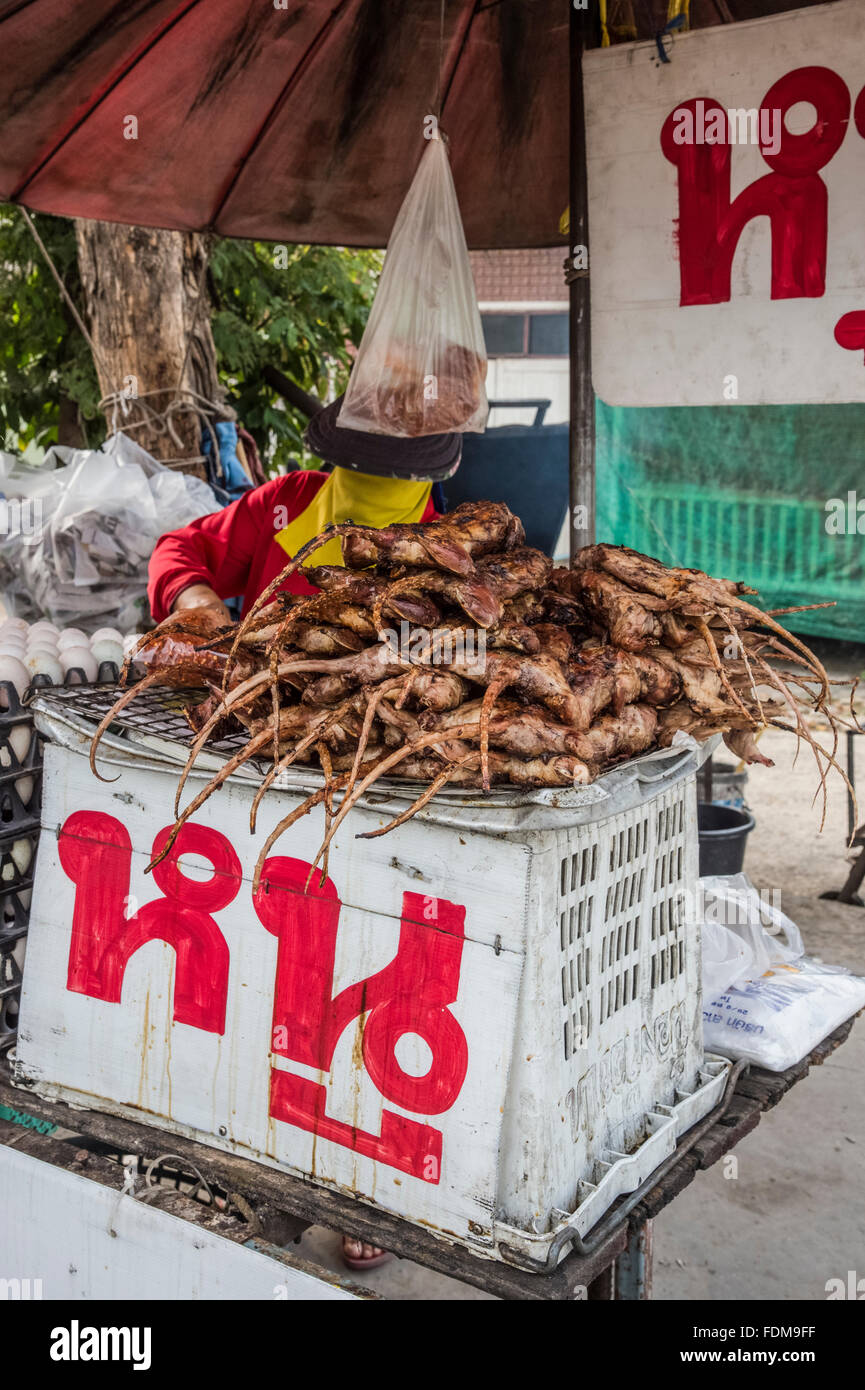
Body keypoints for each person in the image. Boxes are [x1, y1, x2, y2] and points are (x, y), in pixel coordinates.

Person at [148, 396, 461, 1273]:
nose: (372, 490)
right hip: (259, 779)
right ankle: (272, 1167)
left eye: (391, 478)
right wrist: (201, 601)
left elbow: (468, 669)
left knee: (371, 989)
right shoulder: (281, 505)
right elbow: (180, 549)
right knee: (270, 983)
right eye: (360, 472)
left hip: (382, 791)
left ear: (424, 479)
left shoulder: (451, 552)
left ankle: (372, 1189)